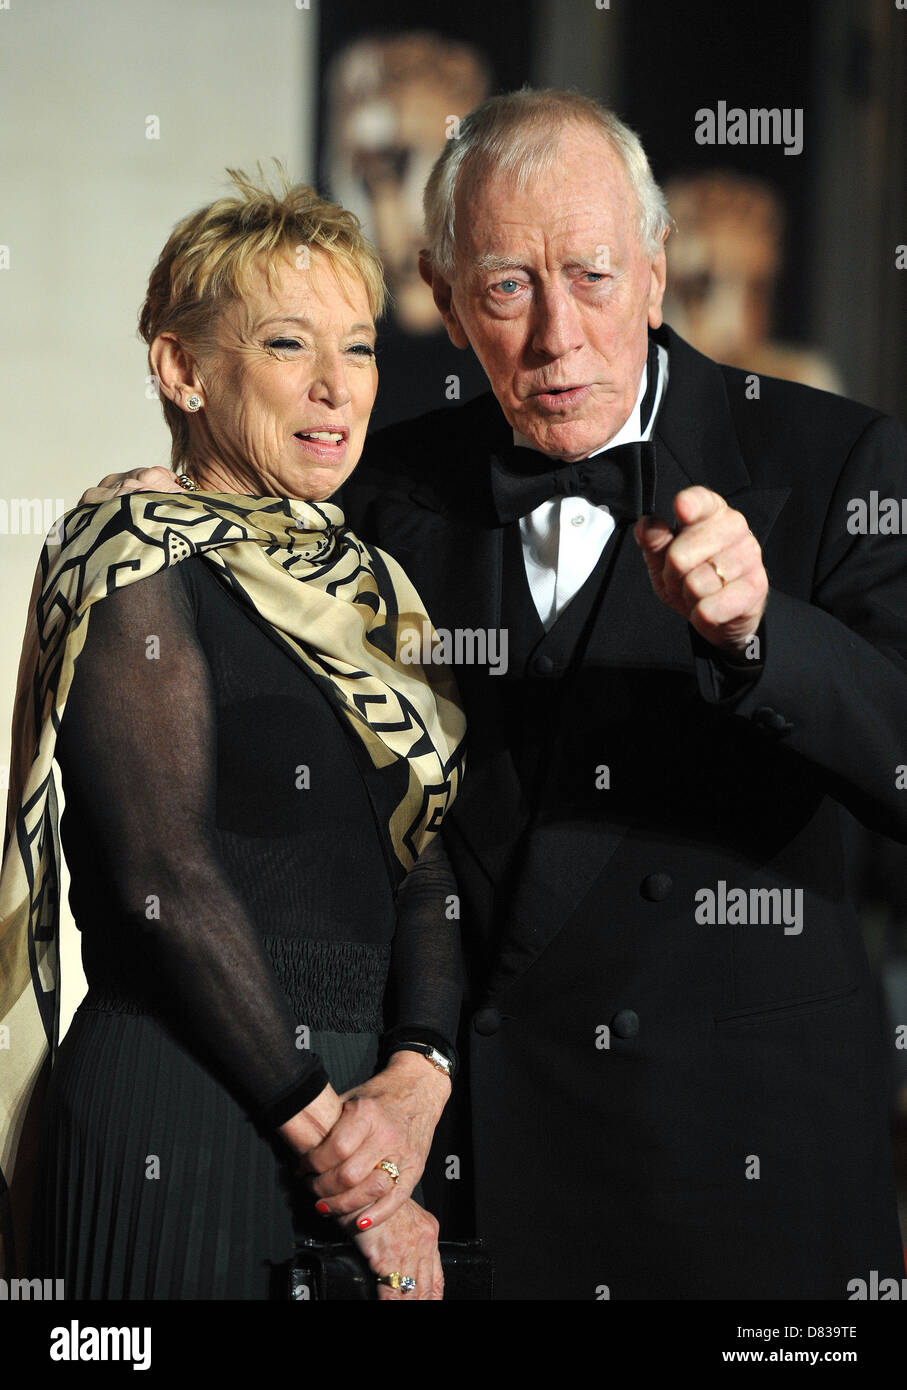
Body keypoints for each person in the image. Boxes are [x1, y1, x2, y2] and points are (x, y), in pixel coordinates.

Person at [76, 89, 907, 1300]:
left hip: (742, 1196)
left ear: (659, 269)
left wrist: (757, 633)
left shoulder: (834, 463)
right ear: (445, 298)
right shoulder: (373, 492)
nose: (556, 336)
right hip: (474, 1189)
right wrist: (176, 506)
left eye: (591, 274)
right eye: (509, 286)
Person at [0, 170, 467, 1299]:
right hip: (187, 1104)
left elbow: (428, 861)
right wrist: (340, 1148)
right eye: (286, 345)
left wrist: (418, 1074)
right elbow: (169, 876)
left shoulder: (373, 587)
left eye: (356, 349)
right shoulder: (132, 547)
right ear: (181, 368)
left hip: (364, 1122)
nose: (332, 388)